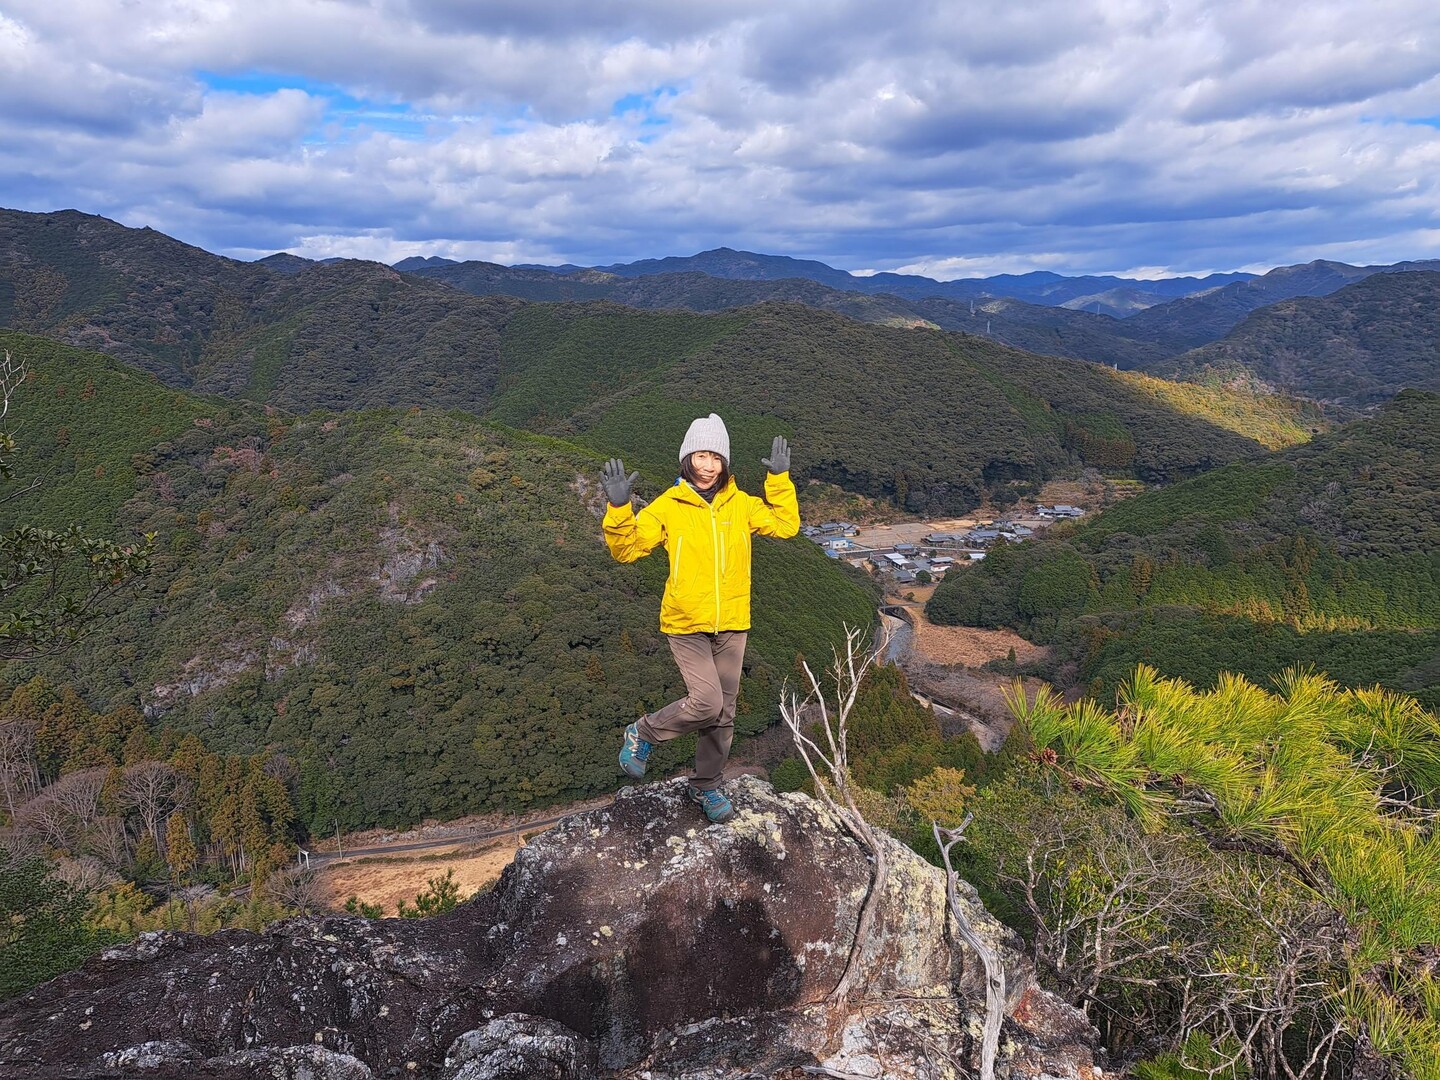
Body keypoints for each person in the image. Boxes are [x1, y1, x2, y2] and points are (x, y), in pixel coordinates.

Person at [600, 413, 800, 823]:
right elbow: (627, 550)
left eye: (714, 457)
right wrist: (620, 508)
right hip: (685, 623)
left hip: (731, 622)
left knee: (724, 714)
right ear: (686, 460)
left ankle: (706, 785)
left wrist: (778, 482)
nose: (707, 465)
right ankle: (644, 732)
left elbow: (786, 525)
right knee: (707, 703)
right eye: (699, 456)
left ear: (725, 462)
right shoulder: (668, 507)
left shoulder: (741, 504)